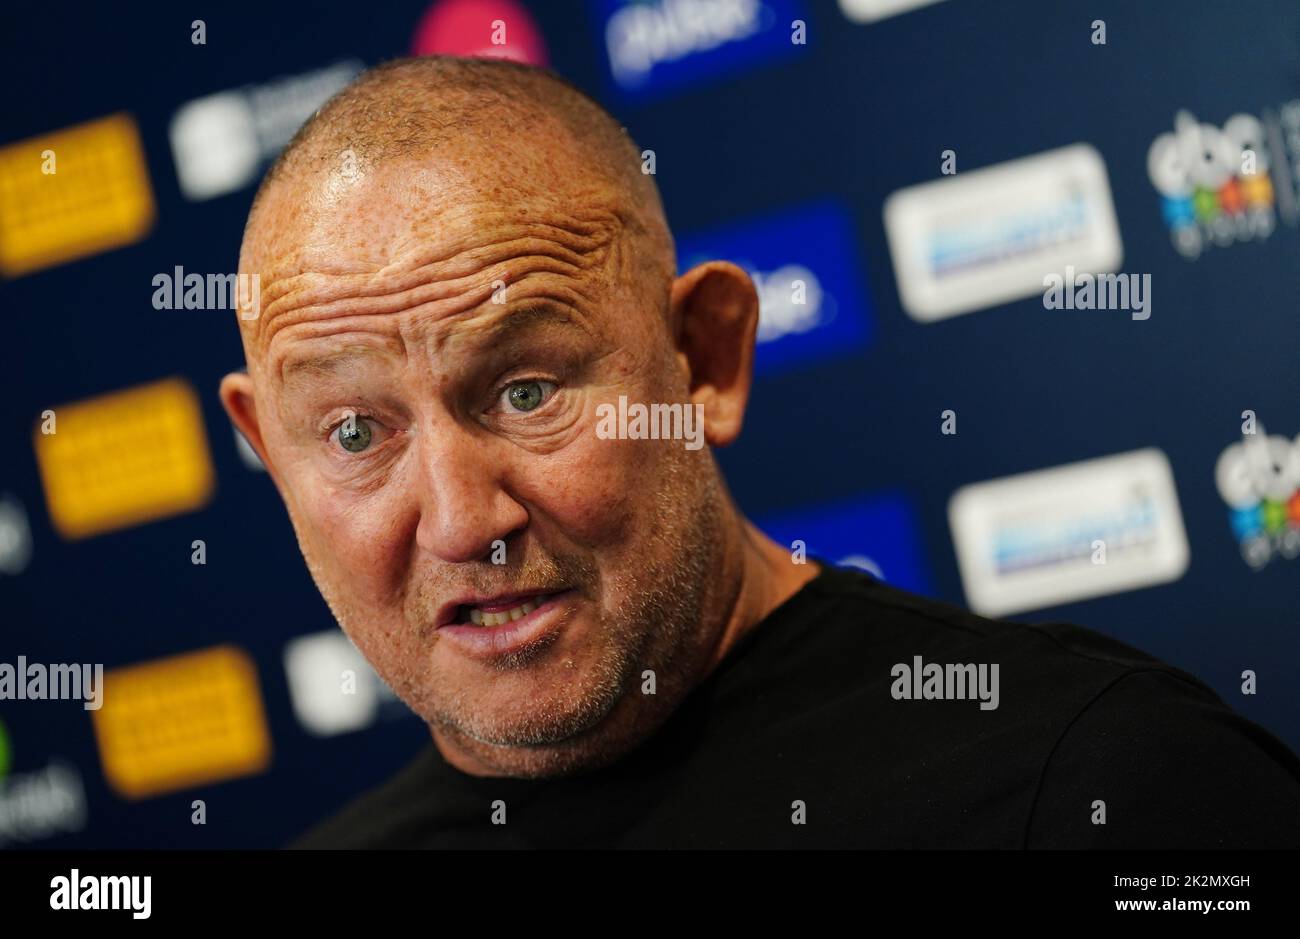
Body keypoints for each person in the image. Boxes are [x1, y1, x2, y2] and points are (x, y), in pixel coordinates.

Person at [218, 56, 1300, 848]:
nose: (463, 522)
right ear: (268, 449)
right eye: (354, 432)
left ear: (703, 357)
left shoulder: (1105, 788)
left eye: (527, 391)